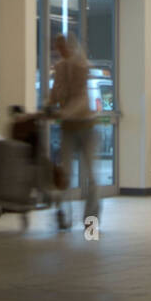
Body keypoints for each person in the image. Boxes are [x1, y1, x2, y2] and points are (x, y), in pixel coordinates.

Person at [46, 33, 100, 227]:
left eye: (62, 46)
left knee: (91, 174)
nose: (59, 50)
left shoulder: (82, 65)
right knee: (65, 173)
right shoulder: (59, 68)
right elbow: (55, 93)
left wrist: (63, 113)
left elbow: (81, 97)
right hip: (68, 128)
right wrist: (47, 106)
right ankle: (62, 214)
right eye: (57, 46)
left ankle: (91, 217)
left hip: (85, 126)